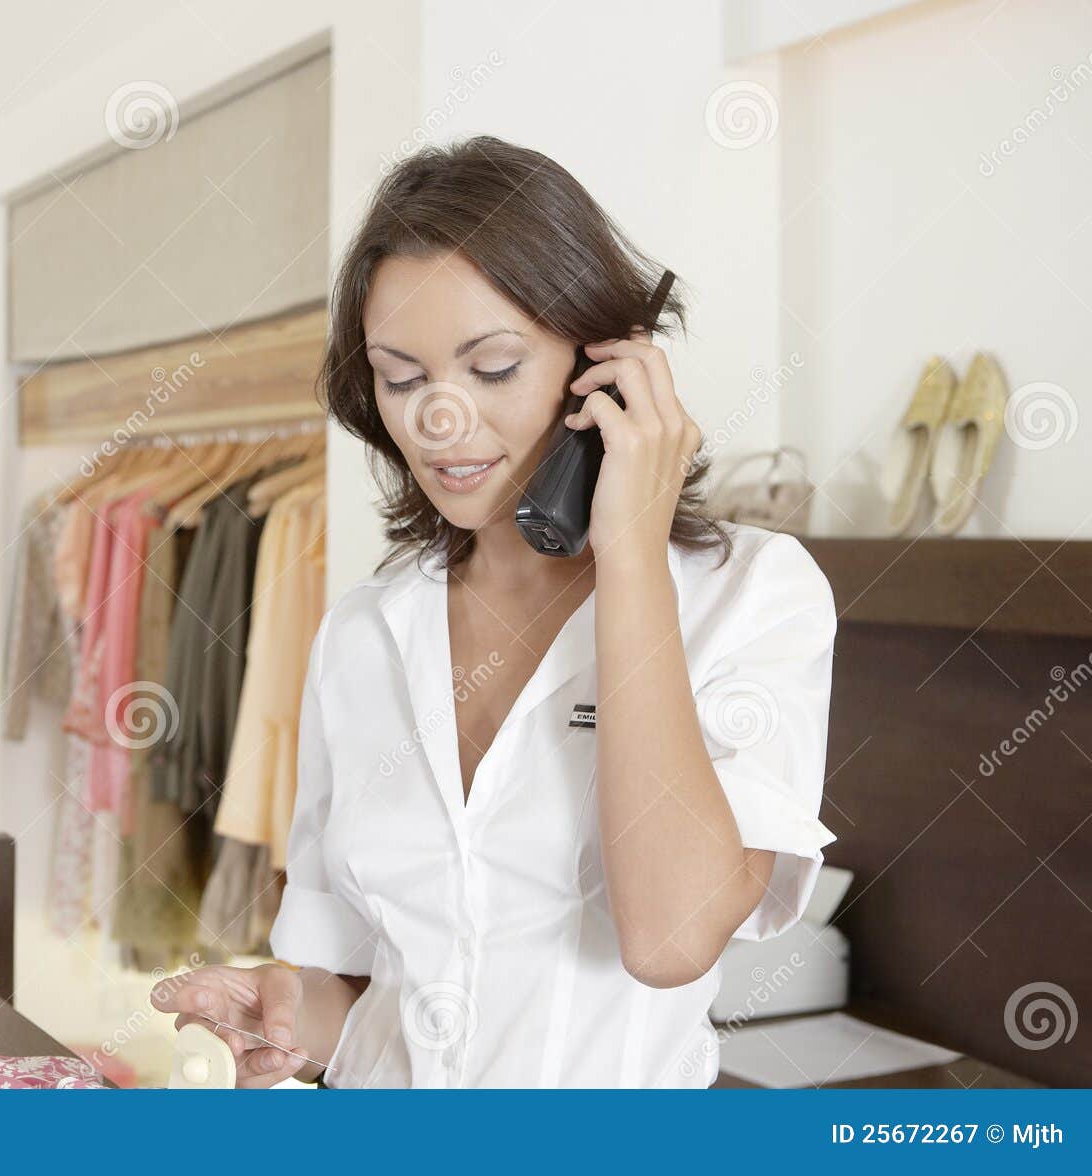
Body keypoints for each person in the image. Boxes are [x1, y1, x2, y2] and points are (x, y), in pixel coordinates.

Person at [152, 135, 836, 1088]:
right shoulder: (363, 633)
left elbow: (670, 938)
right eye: (402, 377)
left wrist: (630, 550)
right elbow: (356, 988)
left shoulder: (753, 594)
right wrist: (283, 1014)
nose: (440, 417)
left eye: (494, 367)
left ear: (603, 367)